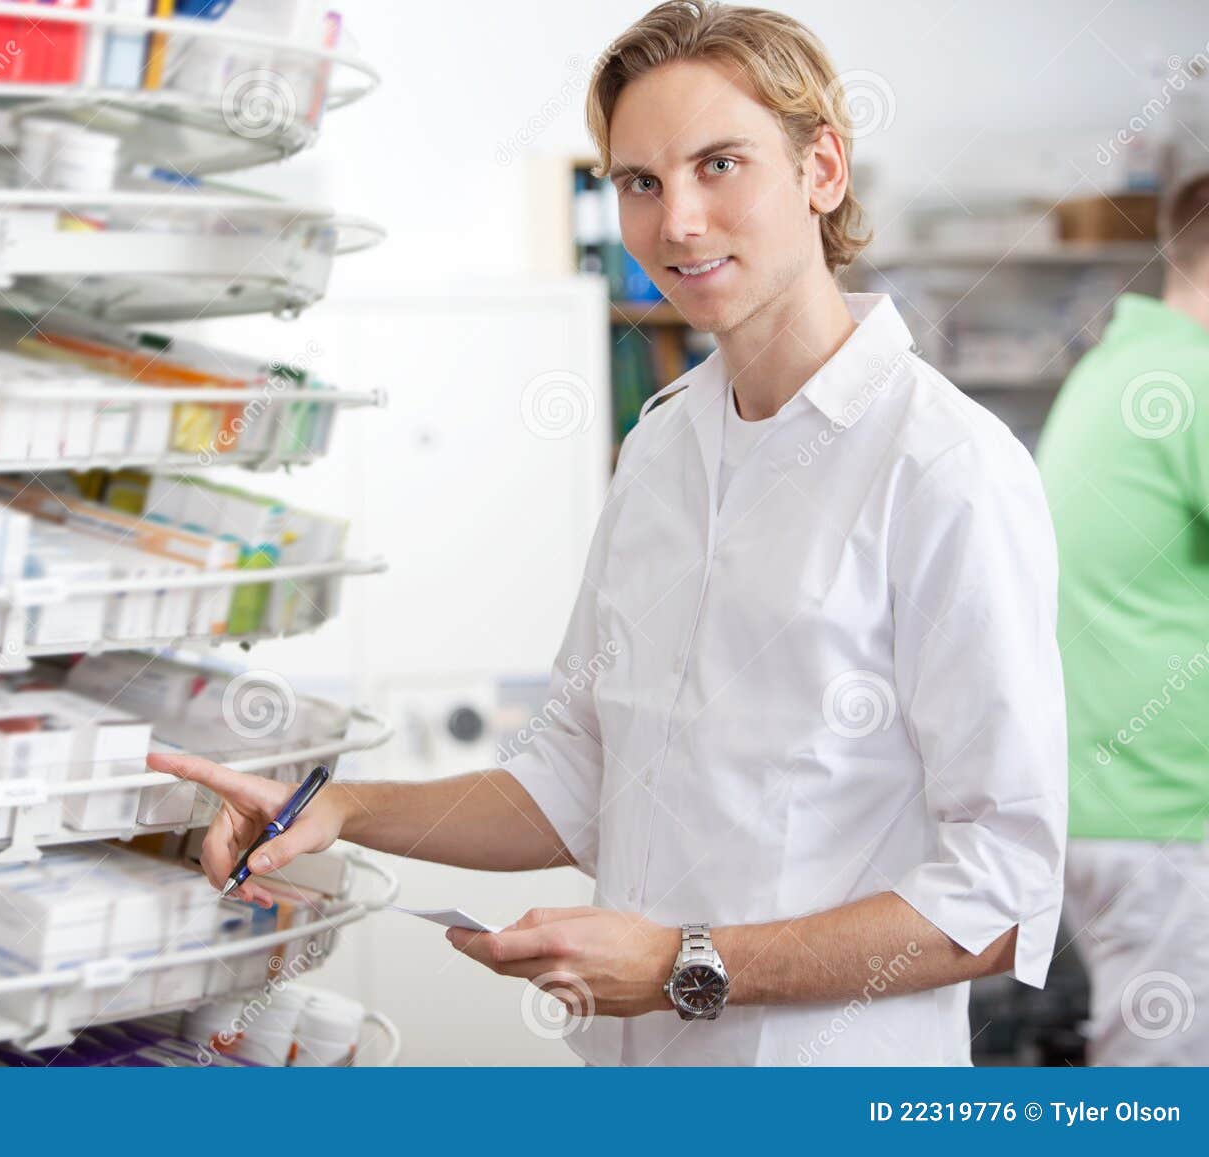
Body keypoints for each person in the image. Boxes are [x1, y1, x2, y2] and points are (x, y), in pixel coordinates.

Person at [147, 0, 1067, 1066]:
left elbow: (1005, 893)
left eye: (719, 165)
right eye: (640, 182)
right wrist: (342, 805)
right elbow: (576, 777)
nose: (677, 222)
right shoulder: (662, 447)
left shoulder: (944, 468)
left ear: (821, 170)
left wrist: (688, 963)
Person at [1035, 165, 1209, 1066]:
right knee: (1165, 1092)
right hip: (1168, 812)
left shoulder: (1118, 367)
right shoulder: (1193, 380)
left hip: (1115, 799)